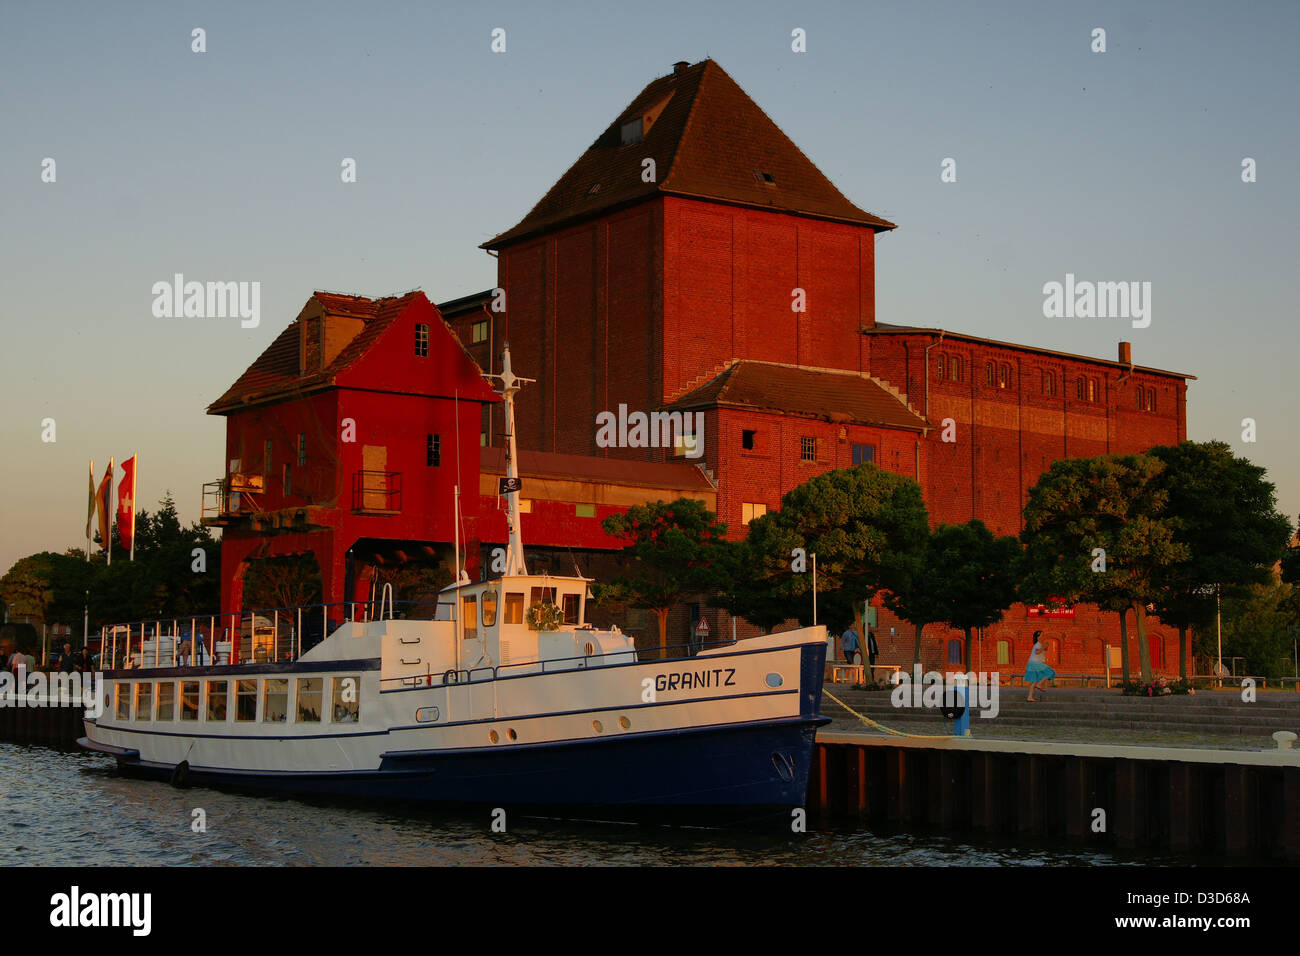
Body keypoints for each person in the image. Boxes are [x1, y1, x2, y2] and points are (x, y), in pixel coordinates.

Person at [1025, 630, 1055, 702]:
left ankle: (1030, 697)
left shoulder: (1039, 644)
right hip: (1035, 663)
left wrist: (1045, 647)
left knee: (1034, 680)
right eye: (1042, 635)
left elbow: (1043, 651)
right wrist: (1044, 646)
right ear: (1038, 637)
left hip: (1032, 663)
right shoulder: (1038, 644)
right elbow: (1037, 652)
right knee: (1051, 672)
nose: (1043, 636)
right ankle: (1040, 684)